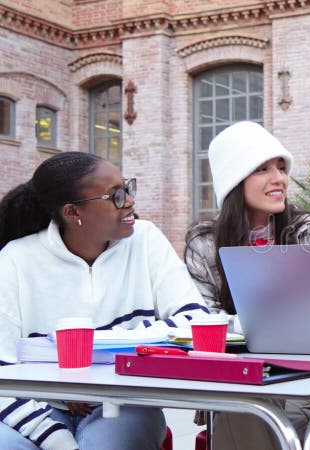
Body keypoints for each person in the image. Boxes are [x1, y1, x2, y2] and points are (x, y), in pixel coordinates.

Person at [0, 151, 209, 450]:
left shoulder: (146, 239)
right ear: (73, 213)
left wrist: (90, 362)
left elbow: (195, 322)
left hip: (124, 402)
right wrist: (57, 439)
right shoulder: (14, 260)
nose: (130, 201)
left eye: (128, 188)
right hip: (30, 410)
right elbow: (2, 371)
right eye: (116, 196)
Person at [184, 121, 310, 449]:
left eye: (280, 167)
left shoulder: (307, 231)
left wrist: (239, 326)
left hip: (302, 374)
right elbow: (202, 323)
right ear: (235, 181)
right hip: (234, 375)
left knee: (252, 413)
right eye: (262, 169)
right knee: (242, 406)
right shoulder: (204, 242)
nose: (279, 178)